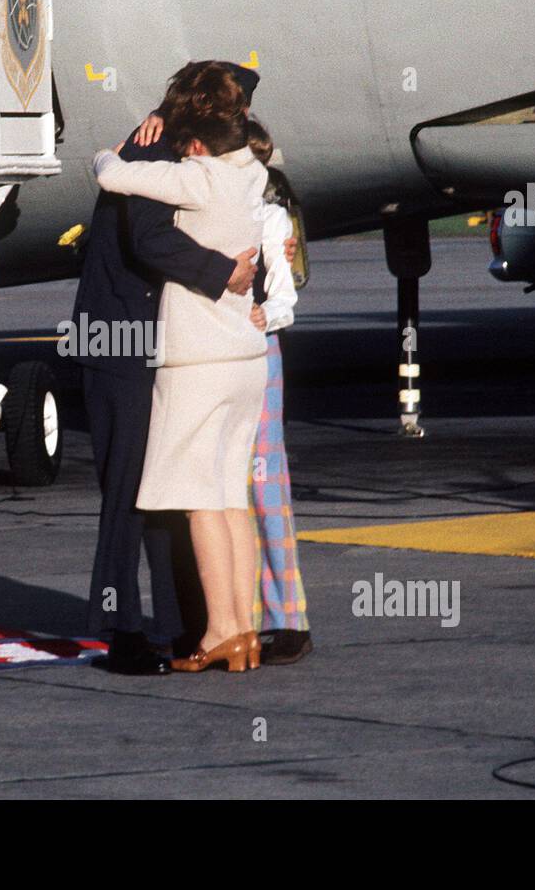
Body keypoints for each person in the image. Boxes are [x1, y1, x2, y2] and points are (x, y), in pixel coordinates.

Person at [74, 66, 260, 676]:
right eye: (236, 100)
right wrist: (224, 274)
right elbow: (149, 241)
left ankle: (190, 628)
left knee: (176, 494)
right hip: (123, 336)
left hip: (162, 338)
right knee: (131, 491)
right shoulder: (152, 147)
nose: (243, 112)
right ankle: (123, 629)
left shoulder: (196, 151)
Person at [245, 119, 312, 665]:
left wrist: (260, 313)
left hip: (258, 348)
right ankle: (239, 614)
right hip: (220, 351)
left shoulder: (268, 217)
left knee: (265, 485)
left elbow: (286, 299)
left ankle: (286, 617)